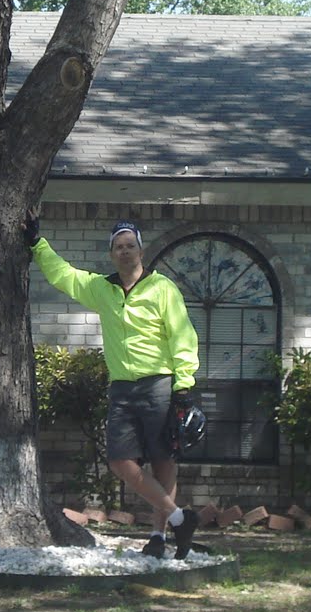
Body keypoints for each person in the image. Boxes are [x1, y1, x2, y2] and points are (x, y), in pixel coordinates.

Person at [26, 214, 202, 559]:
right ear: (111, 254)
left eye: (130, 245)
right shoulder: (101, 289)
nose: (125, 251)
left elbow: (182, 335)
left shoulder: (162, 288)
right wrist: (37, 244)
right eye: (118, 247)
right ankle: (181, 518)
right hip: (122, 388)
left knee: (163, 461)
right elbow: (64, 275)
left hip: (160, 385)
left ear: (141, 250)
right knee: (121, 462)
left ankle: (158, 536)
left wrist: (184, 385)